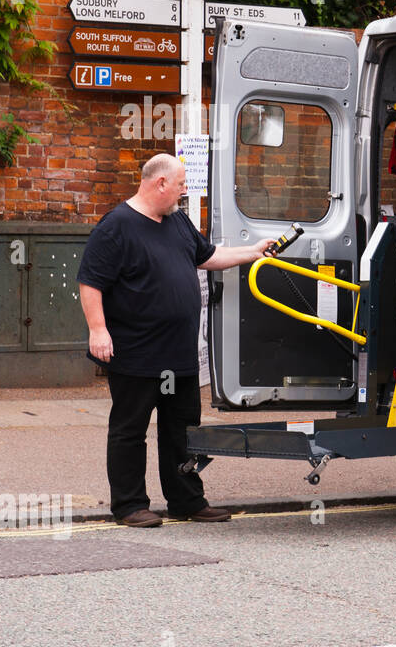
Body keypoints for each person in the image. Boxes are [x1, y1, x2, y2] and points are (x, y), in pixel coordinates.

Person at [78, 154, 276, 527]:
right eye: (182, 184)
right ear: (161, 184)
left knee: (182, 432)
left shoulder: (178, 222)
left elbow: (209, 256)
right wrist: (98, 329)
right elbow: (91, 281)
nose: (186, 191)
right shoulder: (116, 226)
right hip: (136, 353)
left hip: (179, 354)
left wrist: (253, 252)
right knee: (130, 431)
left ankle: (186, 500)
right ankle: (130, 505)